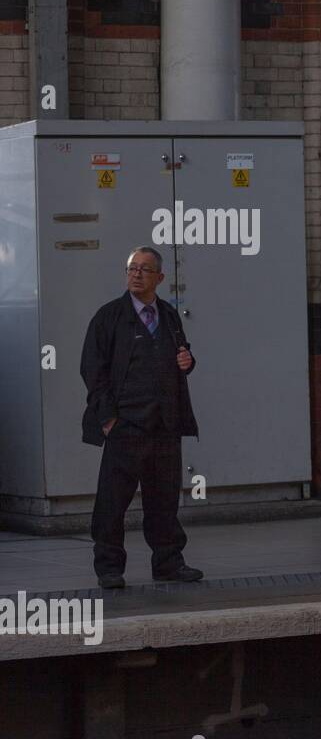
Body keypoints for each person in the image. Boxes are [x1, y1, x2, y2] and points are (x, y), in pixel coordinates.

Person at [80, 247, 204, 589]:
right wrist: (108, 420)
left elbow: (182, 356)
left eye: (145, 270)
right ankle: (108, 568)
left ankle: (168, 563)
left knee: (163, 500)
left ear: (159, 278)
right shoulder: (108, 317)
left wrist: (188, 362)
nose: (136, 274)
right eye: (132, 268)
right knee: (112, 502)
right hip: (125, 427)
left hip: (164, 426)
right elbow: (92, 369)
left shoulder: (169, 316)